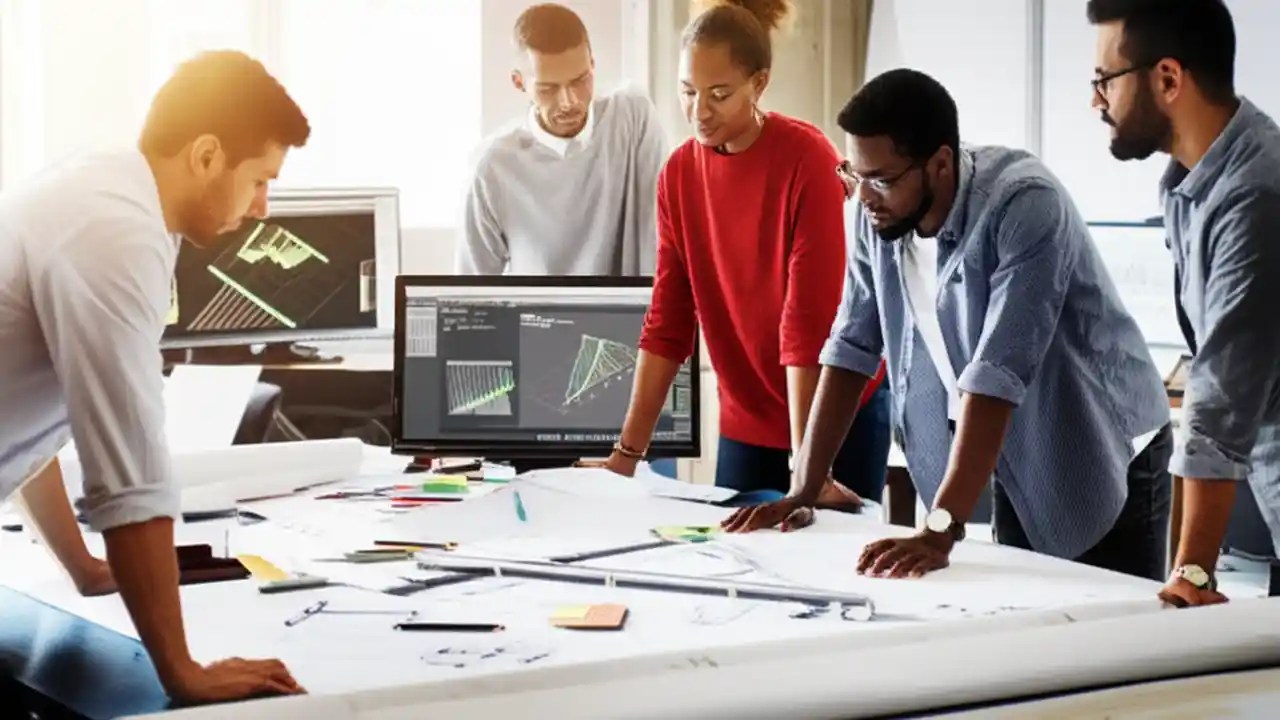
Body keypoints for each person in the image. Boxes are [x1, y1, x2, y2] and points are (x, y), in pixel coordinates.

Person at [723, 68, 1175, 583]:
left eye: (881, 179)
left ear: (939, 163)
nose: (864, 196)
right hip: (1019, 440)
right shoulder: (879, 214)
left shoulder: (1025, 204)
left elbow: (998, 371)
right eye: (854, 173)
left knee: (1113, 619)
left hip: (1105, 440)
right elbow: (851, 345)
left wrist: (940, 528)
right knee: (1027, 605)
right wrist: (803, 488)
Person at [0, 50, 309, 702]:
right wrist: (182, 671)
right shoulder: (116, 230)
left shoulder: (106, 188)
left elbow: (25, 423)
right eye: (259, 179)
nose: (263, 207)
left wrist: (84, 567)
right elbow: (130, 468)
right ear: (206, 155)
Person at [604, 0, 890, 507]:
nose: (699, 111)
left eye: (719, 95)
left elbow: (807, 324)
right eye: (688, 92)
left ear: (759, 84)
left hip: (834, 416)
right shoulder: (678, 176)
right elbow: (668, 320)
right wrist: (625, 457)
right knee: (734, 545)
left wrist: (808, 472)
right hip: (747, 417)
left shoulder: (808, 159)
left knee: (827, 548)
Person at [1088, 0, 1280, 606]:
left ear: (1168, 78)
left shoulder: (1256, 194)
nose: (1095, 101)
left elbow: (1220, 397)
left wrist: (1192, 573)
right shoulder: (1187, 185)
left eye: (1104, 80)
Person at [457, 3, 669, 276]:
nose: (569, 102)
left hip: (636, 303)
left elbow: (662, 235)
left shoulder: (632, 118)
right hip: (537, 306)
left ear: (592, 65)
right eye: (548, 89)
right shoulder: (491, 168)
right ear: (519, 82)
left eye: (580, 81)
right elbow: (472, 286)